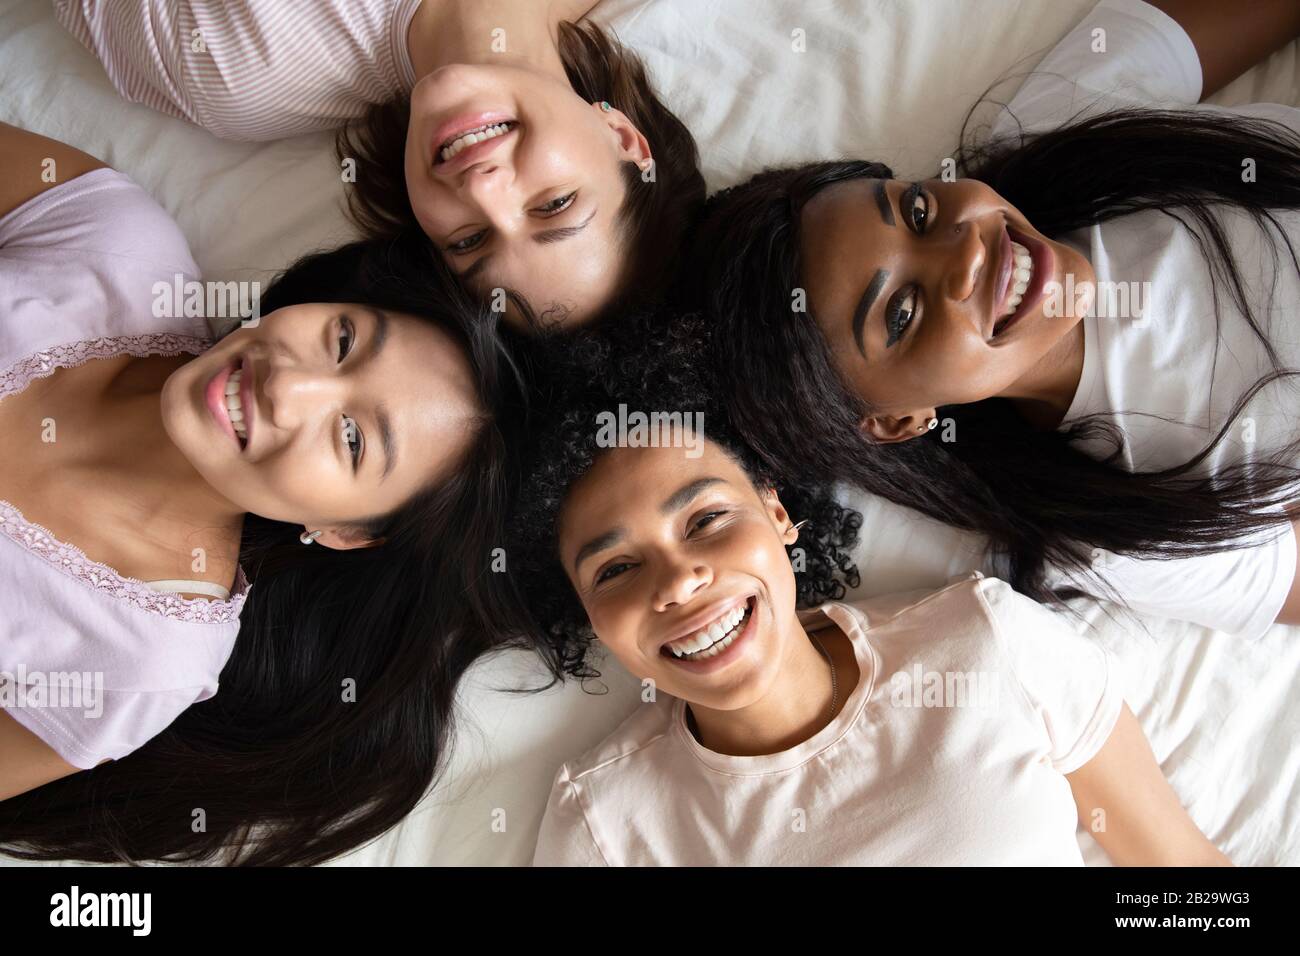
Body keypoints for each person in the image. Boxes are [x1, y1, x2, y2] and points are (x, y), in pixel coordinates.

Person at [511, 312, 1228, 866]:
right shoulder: (605, 825)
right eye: (615, 569)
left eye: (705, 519)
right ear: (588, 617)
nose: (680, 581)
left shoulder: (988, 643)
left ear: (778, 512)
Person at [0, 121, 529, 865]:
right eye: (342, 341)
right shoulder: (115, 245)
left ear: (344, 530)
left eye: (351, 440)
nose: (288, 385)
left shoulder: (143, 663)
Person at [684, 0, 1300, 636]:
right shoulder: (1118, 528)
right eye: (902, 312)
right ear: (898, 421)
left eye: (918, 211)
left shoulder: (1048, 130)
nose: (969, 250)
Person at [54, 0, 706, 329]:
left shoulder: (241, 70)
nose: (484, 189)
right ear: (624, 137)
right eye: (554, 204)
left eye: (470, 239)